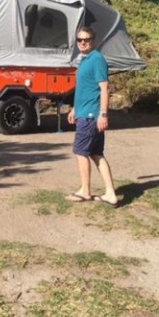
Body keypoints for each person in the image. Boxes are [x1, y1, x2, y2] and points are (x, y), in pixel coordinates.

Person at [65, 26, 119, 207]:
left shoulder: (96, 59)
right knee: (96, 154)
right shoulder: (84, 60)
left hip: (90, 116)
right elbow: (85, 89)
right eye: (79, 40)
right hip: (83, 113)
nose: (82, 43)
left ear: (93, 41)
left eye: (86, 40)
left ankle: (85, 191)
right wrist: (74, 109)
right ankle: (110, 193)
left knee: (81, 152)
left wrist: (103, 114)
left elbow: (104, 88)